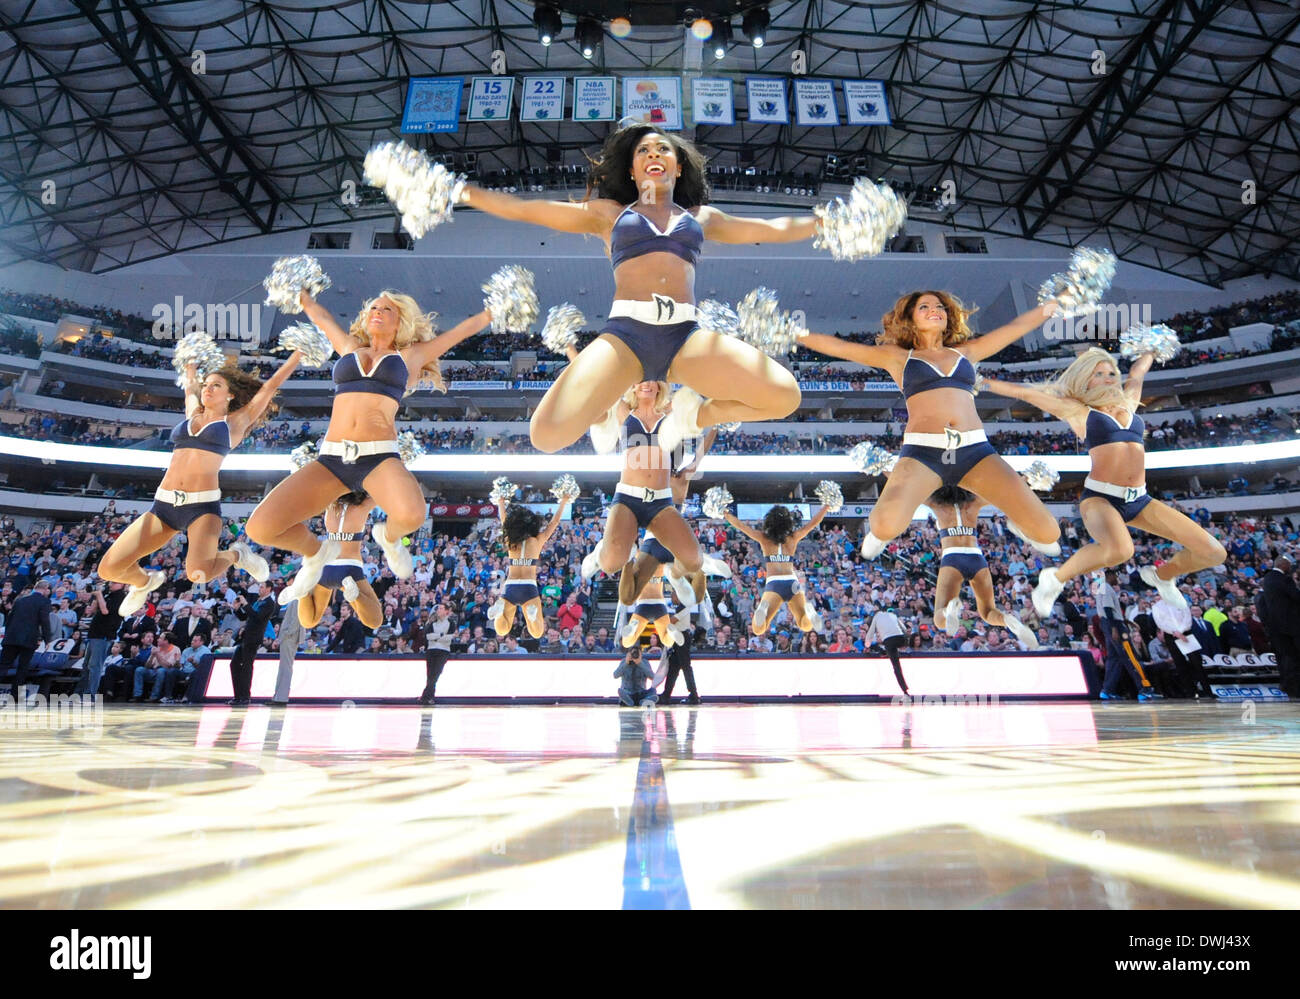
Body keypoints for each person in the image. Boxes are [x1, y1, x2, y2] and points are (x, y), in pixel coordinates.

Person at [458, 123, 820, 454]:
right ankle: (605, 409)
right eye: (643, 151)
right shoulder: (609, 214)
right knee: (546, 435)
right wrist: (463, 191)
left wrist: (826, 223)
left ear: (678, 167)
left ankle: (693, 417)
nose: (653, 155)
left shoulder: (700, 218)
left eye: (663, 149)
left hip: (685, 337)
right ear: (632, 171)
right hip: (626, 338)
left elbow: (772, 229)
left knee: (784, 395)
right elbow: (527, 210)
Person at [246, 287, 492, 600]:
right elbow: (323, 319)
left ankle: (388, 539)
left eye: (386, 310)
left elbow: (460, 332)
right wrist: (302, 297)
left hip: (378, 457)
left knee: (412, 515)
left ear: (399, 321)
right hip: (331, 459)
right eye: (374, 307)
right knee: (260, 528)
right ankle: (316, 552)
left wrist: (491, 312)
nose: (377, 312)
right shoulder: (348, 347)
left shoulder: (409, 357)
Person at [799, 291, 1063, 559]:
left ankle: (1020, 525)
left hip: (976, 452)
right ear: (910, 319)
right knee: (885, 525)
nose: (934, 310)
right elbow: (840, 348)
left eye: (939, 306)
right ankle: (877, 534)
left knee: (1049, 534)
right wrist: (791, 331)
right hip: (923, 454)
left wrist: (1060, 299)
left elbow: (1017, 327)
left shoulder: (966, 352)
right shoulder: (899, 357)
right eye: (924, 307)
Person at [981, 347, 1227, 617]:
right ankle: (1054, 580)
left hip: (1140, 499)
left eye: (1111, 372)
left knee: (1213, 552)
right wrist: (981, 382)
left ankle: (1162, 576)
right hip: (1100, 499)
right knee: (1121, 550)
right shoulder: (1078, 411)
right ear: (1087, 379)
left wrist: (1152, 351)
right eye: (1100, 374)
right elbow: (1026, 393)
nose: (1109, 378)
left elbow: (1136, 373)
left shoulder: (1129, 404)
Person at [97, 353, 300, 615]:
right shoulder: (192, 413)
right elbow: (190, 388)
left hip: (201, 509)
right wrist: (191, 366)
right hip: (163, 505)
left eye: (216, 385)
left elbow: (269, 387)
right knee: (108, 569)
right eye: (206, 385)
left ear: (230, 395)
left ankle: (236, 555)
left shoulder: (235, 422)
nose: (208, 389)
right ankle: (144, 583)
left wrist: (298, 355)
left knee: (198, 574)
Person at [581, 380, 704, 592]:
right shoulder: (622, 409)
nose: (646, 385)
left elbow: (698, 394)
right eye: (641, 381)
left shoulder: (671, 409)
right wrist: (569, 347)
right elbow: (594, 383)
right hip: (628, 498)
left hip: (661, 501)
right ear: (633, 386)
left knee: (694, 561)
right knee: (611, 565)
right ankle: (600, 551)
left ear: (660, 386)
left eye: (652, 381)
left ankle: (674, 575)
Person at [927, 485, 1039, 649]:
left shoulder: (936, 504)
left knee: (939, 620)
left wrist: (881, 466)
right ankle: (1006, 619)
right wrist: (1027, 479)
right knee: (987, 612)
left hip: (952, 557)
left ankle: (948, 611)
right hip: (976, 557)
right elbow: (1002, 489)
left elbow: (906, 485)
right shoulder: (974, 502)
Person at [720, 501, 829, 635]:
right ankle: (808, 613)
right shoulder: (793, 537)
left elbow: (742, 526)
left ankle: (762, 610)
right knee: (804, 625)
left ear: (769, 522)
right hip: (792, 583)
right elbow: (812, 524)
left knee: (758, 629)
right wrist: (826, 507)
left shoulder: (764, 538)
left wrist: (726, 514)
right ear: (788, 523)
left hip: (774, 584)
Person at [296, 490, 383, 631]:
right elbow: (387, 491)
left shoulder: (329, 504)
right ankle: (356, 595)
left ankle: (303, 593)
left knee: (308, 622)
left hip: (325, 567)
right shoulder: (364, 505)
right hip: (350, 568)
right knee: (375, 621)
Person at [489, 493, 572, 638]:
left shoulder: (511, 540)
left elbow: (504, 521)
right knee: (537, 633)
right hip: (529, 587)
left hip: (510, 586)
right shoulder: (537, 540)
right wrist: (564, 502)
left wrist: (501, 502)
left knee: (501, 631)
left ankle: (499, 610)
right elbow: (554, 523)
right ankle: (532, 617)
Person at [1, 580, 53, 702]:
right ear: (45, 588)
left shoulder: (20, 599)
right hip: (28, 639)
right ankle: (14, 697)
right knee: (22, 668)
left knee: (3, 666)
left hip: (11, 638)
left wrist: (8, 635)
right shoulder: (44, 601)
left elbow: (9, 619)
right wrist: (47, 639)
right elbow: (45, 621)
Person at [1256, 556, 1300, 697]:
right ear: (1284, 565)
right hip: (1290, 627)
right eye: (1289, 565)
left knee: (1283, 658)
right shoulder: (1285, 579)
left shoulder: (1267, 580)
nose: (1290, 567)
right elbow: (1296, 597)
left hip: (1275, 628)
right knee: (1293, 658)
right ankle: (1294, 688)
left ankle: (1287, 686)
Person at [228, 583, 277, 706]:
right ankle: (238, 695)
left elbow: (257, 617)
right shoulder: (258, 601)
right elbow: (245, 617)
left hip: (253, 639)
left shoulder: (269, 603)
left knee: (247, 666)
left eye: (261, 587)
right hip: (245, 637)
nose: (259, 589)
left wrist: (246, 604)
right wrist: (237, 609)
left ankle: (245, 696)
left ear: (268, 589)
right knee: (234, 664)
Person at [75, 581, 125, 695]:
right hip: (94, 634)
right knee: (86, 666)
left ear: (121, 584)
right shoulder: (108, 594)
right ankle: (79, 693)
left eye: (114, 583)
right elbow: (93, 609)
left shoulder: (121, 597)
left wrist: (99, 594)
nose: (110, 584)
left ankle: (90, 695)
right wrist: (97, 594)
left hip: (104, 635)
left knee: (94, 666)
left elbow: (105, 610)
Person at [865, 606, 908, 695]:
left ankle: (905, 690)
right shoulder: (892, 615)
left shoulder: (876, 618)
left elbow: (870, 634)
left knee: (896, 667)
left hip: (889, 641)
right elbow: (904, 629)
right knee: (895, 648)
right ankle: (893, 651)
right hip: (901, 638)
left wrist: (867, 645)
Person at [420, 604, 453, 706]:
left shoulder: (451, 623)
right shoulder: (432, 623)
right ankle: (428, 697)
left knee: (435, 674)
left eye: (441, 608)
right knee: (430, 674)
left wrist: (436, 638)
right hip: (431, 650)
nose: (438, 610)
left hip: (443, 651)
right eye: (438, 608)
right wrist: (441, 635)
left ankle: (426, 696)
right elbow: (428, 636)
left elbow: (449, 637)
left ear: (446, 611)